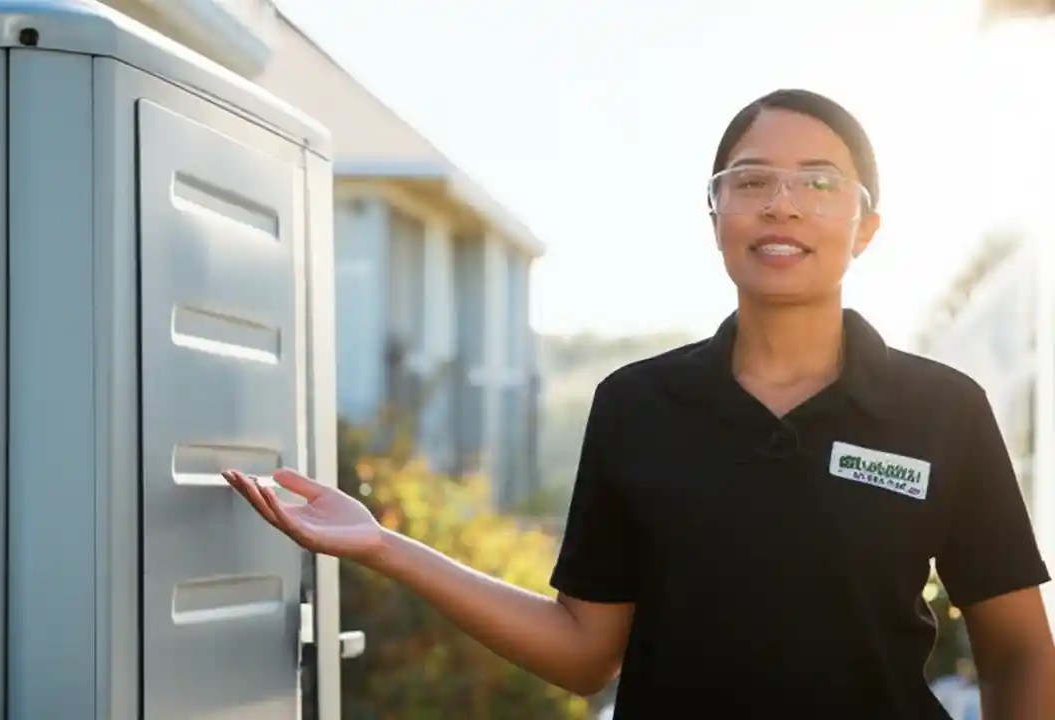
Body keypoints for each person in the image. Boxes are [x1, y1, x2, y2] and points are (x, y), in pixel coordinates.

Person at [222, 88, 1055, 718]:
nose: (783, 203)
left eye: (821, 182)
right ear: (716, 214)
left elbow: (1018, 652)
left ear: (866, 227)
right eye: (751, 181)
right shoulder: (639, 405)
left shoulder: (941, 410)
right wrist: (381, 547)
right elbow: (586, 652)